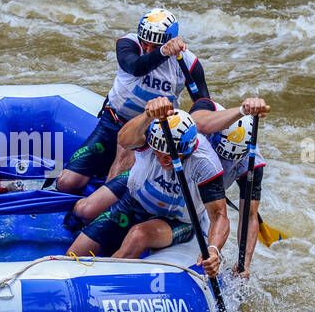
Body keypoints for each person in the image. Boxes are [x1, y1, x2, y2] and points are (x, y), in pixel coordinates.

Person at [64, 99, 228, 278]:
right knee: (74, 253)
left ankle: (104, 280)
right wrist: (147, 115)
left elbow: (219, 215)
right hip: (135, 201)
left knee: (138, 235)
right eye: (159, 152)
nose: (164, 159)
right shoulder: (151, 137)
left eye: (170, 155)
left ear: (187, 150)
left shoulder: (205, 163)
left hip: (175, 220)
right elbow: (123, 140)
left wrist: (213, 250)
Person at [55, 8, 210, 195]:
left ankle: (104, 202)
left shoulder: (187, 62)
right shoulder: (128, 43)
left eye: (154, 46)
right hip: (113, 121)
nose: (147, 50)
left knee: (119, 167)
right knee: (66, 184)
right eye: (146, 44)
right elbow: (136, 67)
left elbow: (203, 103)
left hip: (151, 134)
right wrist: (161, 51)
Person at [189, 96, 270, 279]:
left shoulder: (252, 162)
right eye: (222, 156)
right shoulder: (207, 109)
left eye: (229, 159)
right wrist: (243, 109)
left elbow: (248, 215)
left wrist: (244, 263)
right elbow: (196, 121)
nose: (223, 164)